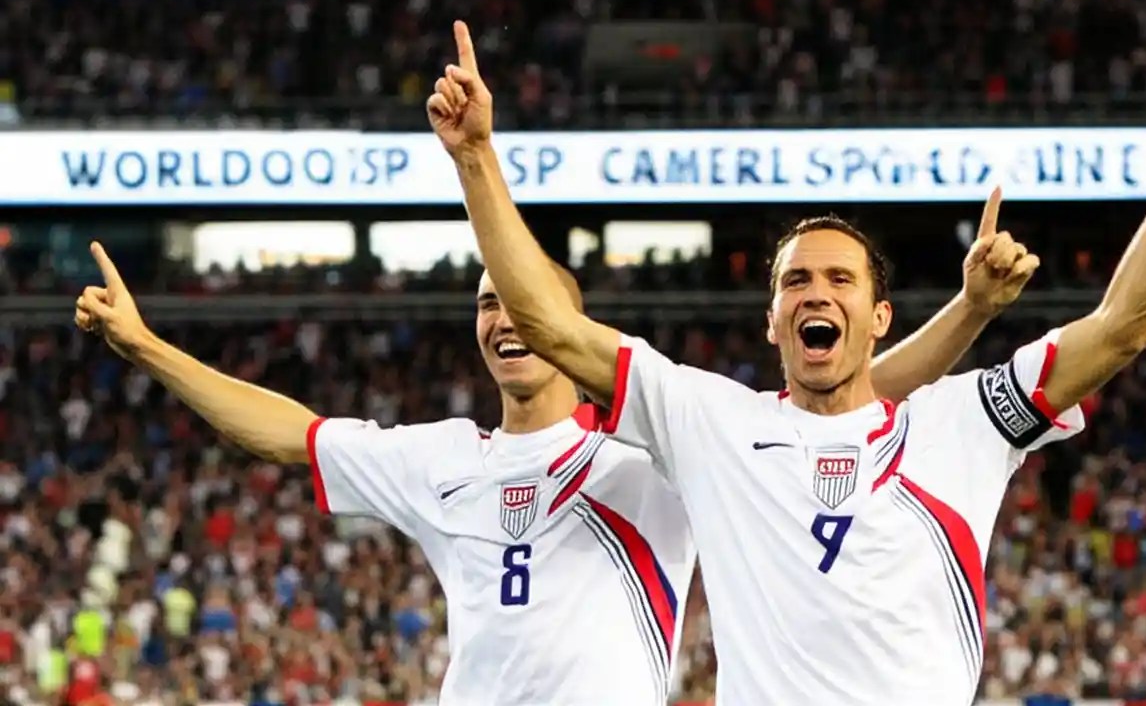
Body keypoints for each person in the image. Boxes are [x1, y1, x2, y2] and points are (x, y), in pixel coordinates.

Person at [430, 19, 1146, 706]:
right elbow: (547, 324)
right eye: (796, 281)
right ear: (772, 320)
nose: (818, 293)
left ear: (879, 317)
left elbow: (1127, 326)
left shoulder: (965, 420)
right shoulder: (713, 424)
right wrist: (475, 159)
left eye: (840, 278)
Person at [75, 236, 1015, 705]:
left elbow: (847, 407)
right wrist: (149, 346)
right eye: (486, 303)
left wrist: (967, 315)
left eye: (520, 300)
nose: (504, 317)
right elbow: (291, 434)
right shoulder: (441, 460)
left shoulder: (650, 463)